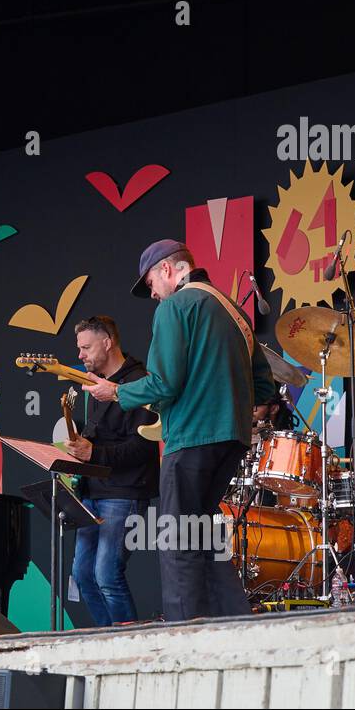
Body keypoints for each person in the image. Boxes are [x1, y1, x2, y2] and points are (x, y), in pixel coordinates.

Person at [84, 240, 275, 621]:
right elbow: (266, 389)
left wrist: (117, 392)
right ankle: (235, 622)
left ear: (169, 271)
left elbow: (164, 383)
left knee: (179, 541)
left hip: (190, 439)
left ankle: (182, 633)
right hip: (232, 438)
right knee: (203, 537)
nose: (153, 294)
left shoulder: (176, 306)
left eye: (151, 283)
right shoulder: (235, 312)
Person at [62, 316, 159, 626]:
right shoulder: (94, 383)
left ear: (108, 342)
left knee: (106, 574)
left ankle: (130, 644)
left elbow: (144, 447)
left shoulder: (139, 382)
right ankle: (107, 640)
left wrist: (94, 452)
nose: (80, 355)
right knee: (81, 575)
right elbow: (102, 435)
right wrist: (81, 443)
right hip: (93, 491)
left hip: (125, 492)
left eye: (86, 347)